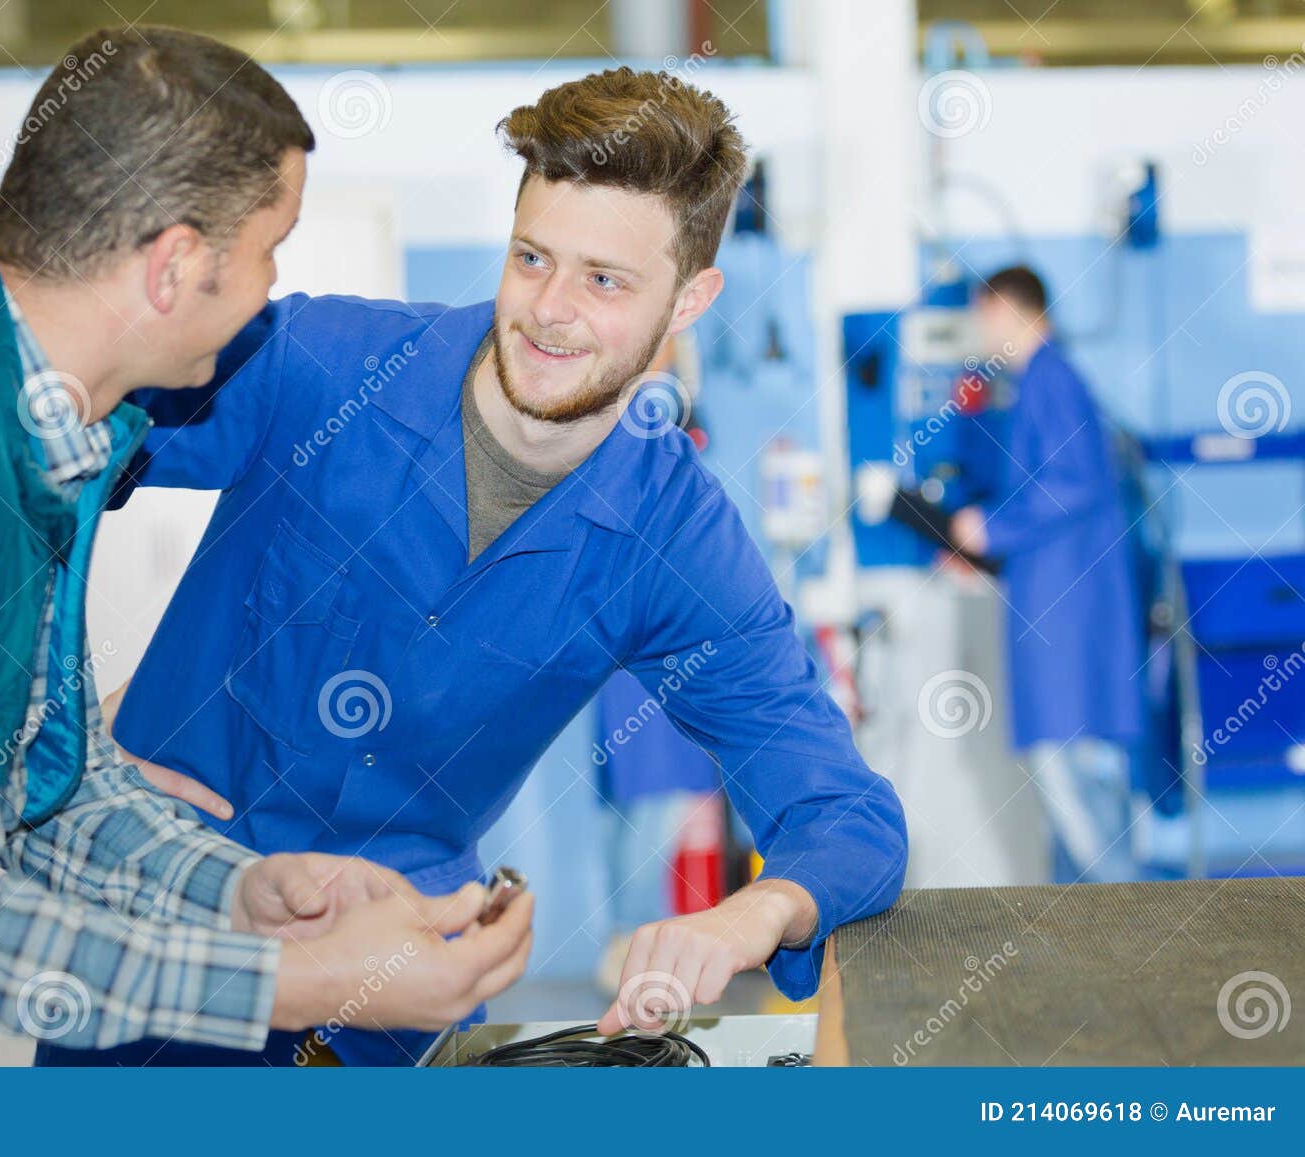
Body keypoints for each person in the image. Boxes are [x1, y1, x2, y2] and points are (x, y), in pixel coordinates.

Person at [0, 26, 532, 1069]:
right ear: (175, 264)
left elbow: (47, 775)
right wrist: (308, 983)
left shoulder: (34, 408)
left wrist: (243, 893)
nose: (269, 296)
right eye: (269, 250)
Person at [59, 66, 909, 1068]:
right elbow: (47, 440)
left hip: (390, 994)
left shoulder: (672, 540)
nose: (548, 311)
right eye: (531, 257)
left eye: (603, 280)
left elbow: (843, 812)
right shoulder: (320, 367)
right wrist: (49, 716)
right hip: (157, 939)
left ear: (690, 300)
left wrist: (749, 915)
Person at [949, 265, 1145, 883]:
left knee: (1077, 790)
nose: (979, 336)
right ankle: (1094, 958)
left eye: (982, 319)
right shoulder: (1039, 384)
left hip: (1069, 626)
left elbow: (1073, 482)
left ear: (1005, 311)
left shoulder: (1050, 382)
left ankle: (1138, 945)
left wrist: (992, 528)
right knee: (1070, 805)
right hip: (1060, 612)